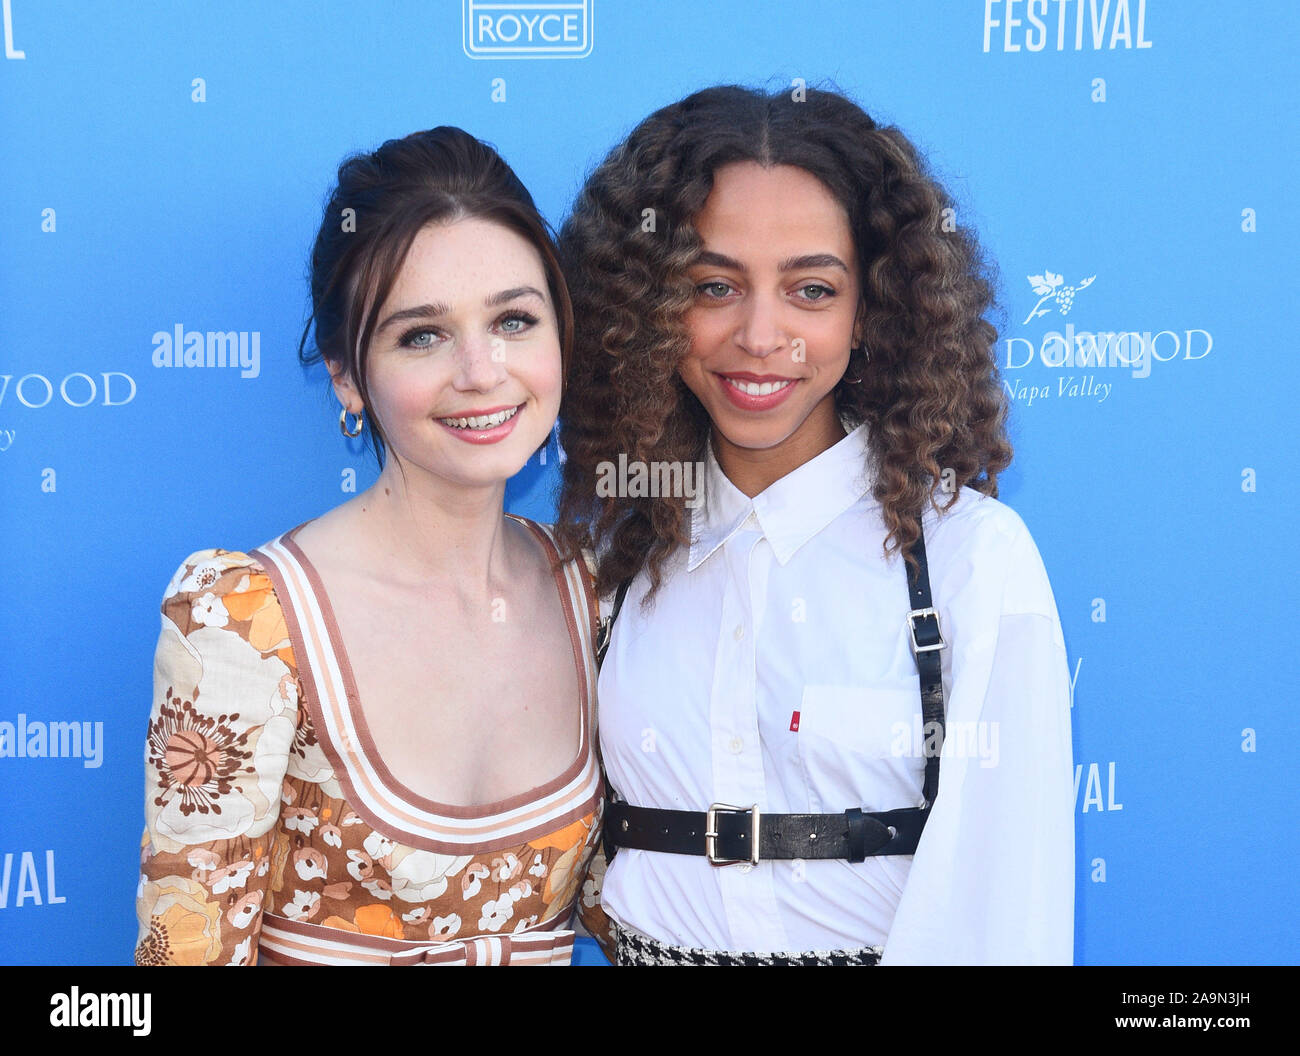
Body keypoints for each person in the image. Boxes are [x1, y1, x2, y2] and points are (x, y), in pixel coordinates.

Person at [559, 85, 1074, 965]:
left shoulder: (969, 559)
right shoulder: (615, 559)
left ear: (869, 310)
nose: (763, 336)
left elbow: (1004, 914)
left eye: (811, 289)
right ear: (649, 310)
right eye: (713, 286)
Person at [135, 127, 603, 966]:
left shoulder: (594, 594)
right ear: (348, 375)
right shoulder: (247, 622)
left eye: (514, 319)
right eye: (422, 335)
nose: (482, 370)